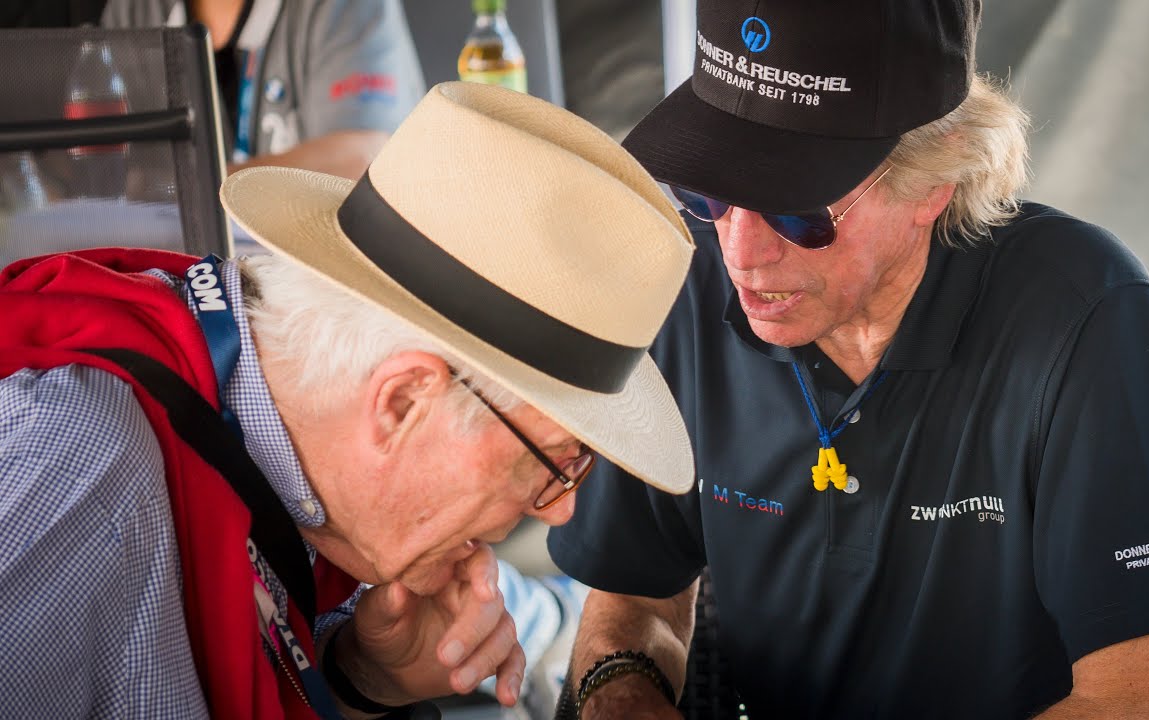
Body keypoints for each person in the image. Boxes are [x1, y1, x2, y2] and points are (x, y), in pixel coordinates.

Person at [547, 0, 1149, 718]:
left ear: (932, 181)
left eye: (798, 212)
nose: (742, 253)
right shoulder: (689, 285)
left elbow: (1142, 705)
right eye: (707, 193)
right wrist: (619, 691)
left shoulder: (1084, 310)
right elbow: (633, 595)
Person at [0, 81, 695, 718]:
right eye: (556, 463)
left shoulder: (283, 469)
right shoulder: (79, 470)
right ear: (400, 402)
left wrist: (361, 680)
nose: (564, 506)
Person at [100, 0, 426, 180]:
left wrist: (202, 194)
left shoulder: (344, 8)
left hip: (315, 281)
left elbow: (367, 157)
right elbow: (79, 172)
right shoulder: (132, 10)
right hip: (174, 271)